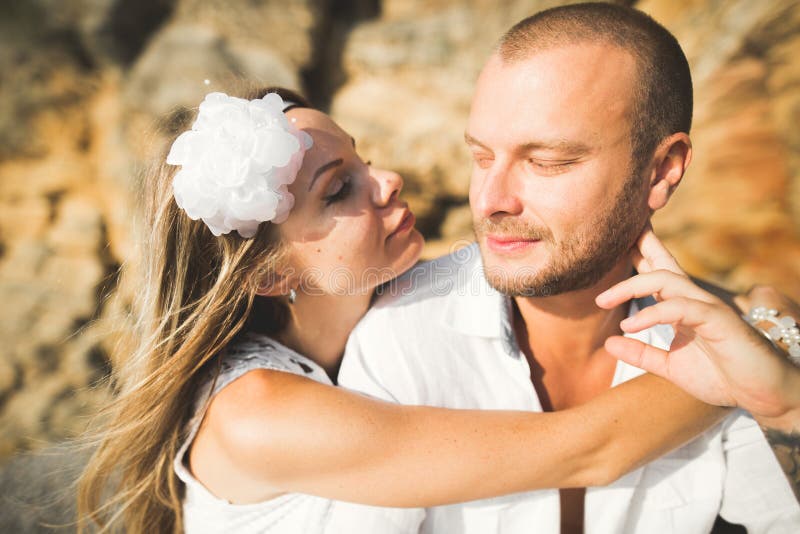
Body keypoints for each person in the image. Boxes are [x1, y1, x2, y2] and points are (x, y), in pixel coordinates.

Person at [76, 86, 732, 534]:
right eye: (339, 190)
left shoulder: (402, 314)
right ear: (272, 275)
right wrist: (765, 340)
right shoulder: (256, 413)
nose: (386, 180)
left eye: (361, 158)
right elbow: (589, 450)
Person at [338, 3, 800, 533]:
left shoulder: (718, 340)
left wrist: (788, 407)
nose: (490, 201)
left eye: (547, 162)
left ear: (662, 170)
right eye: (482, 156)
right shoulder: (401, 339)